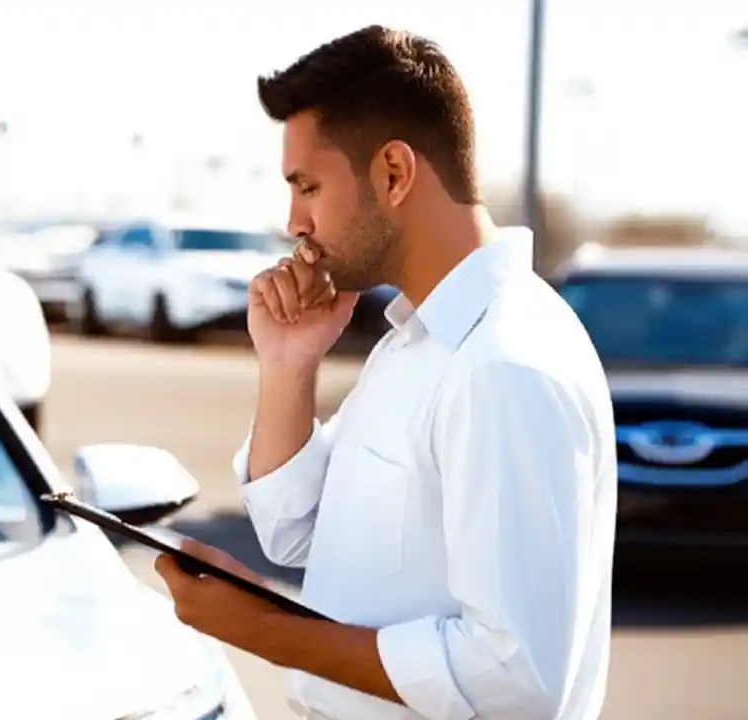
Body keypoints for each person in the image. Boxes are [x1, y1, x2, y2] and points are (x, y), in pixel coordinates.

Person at [153, 25, 617, 720]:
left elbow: (515, 680)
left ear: (394, 174)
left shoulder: (503, 365)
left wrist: (267, 634)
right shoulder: (415, 343)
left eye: (307, 186)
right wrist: (288, 366)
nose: (292, 221)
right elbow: (293, 531)